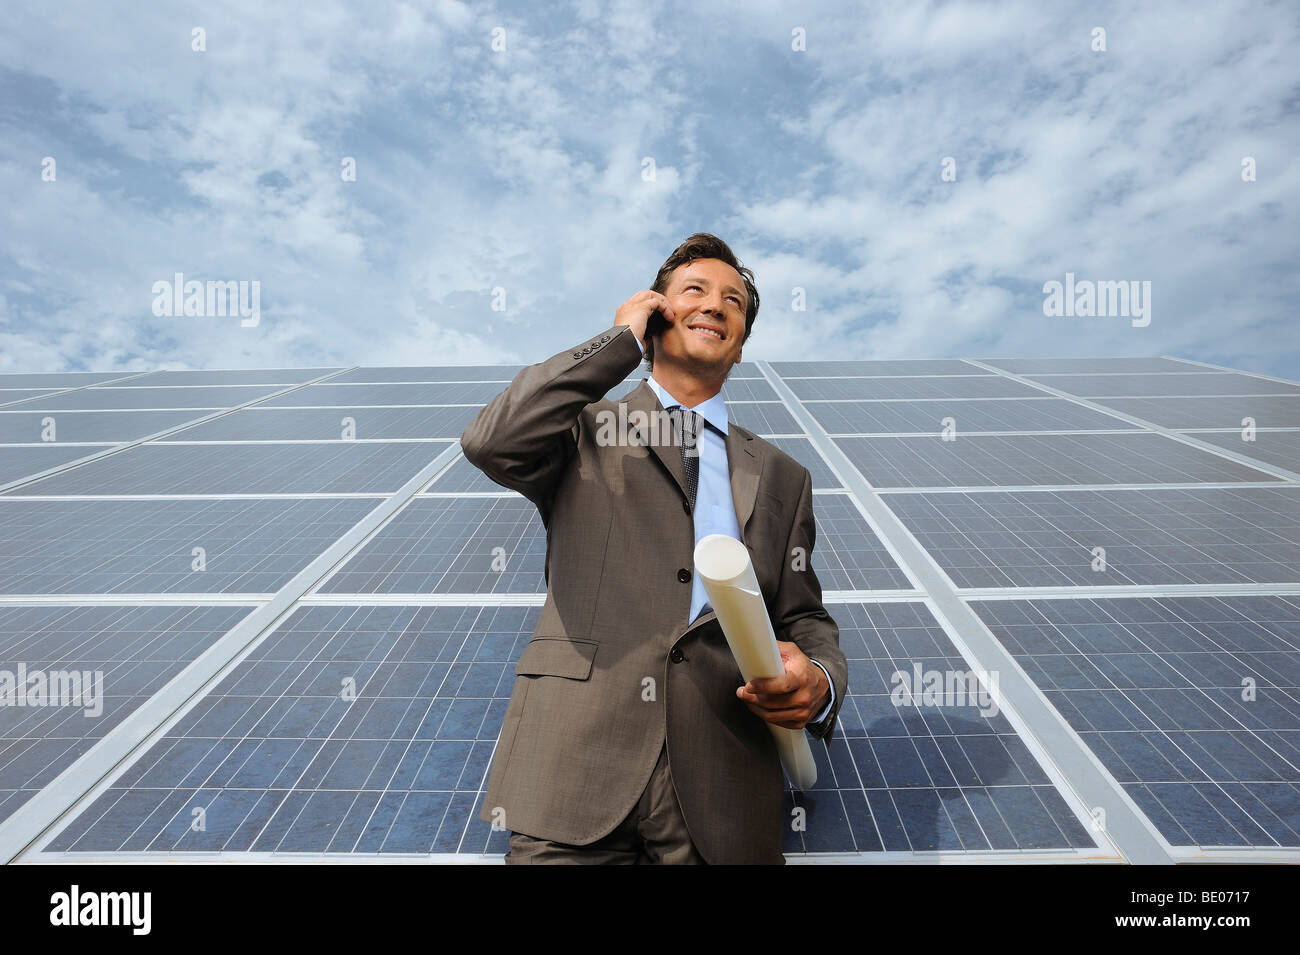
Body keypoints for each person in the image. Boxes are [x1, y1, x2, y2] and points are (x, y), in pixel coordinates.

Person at [460, 233, 846, 864]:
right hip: (574, 762)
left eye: (735, 302)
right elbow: (492, 442)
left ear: (741, 344)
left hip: (724, 776)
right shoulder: (582, 428)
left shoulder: (783, 476)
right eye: (694, 290)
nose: (716, 306)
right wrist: (617, 345)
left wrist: (821, 680)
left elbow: (803, 616)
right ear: (656, 312)